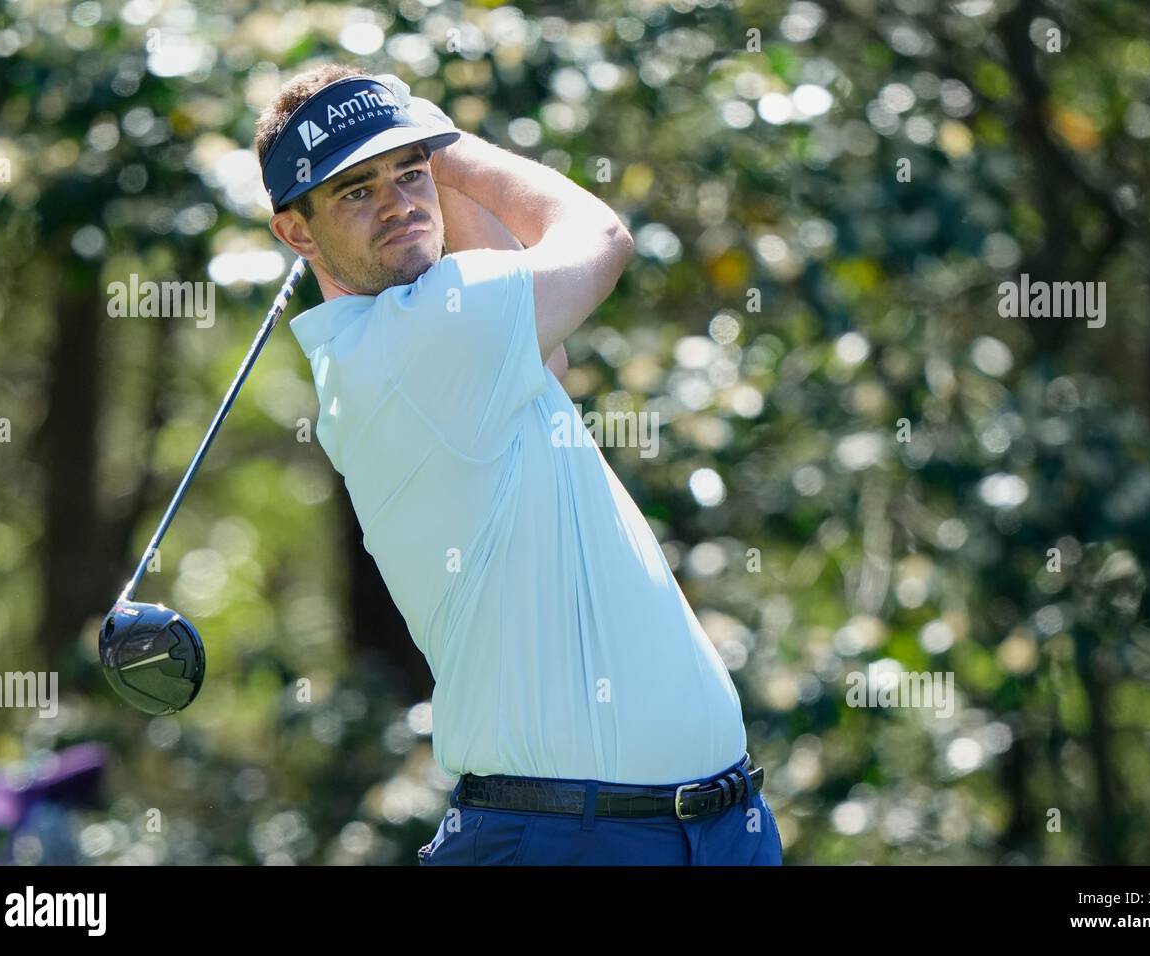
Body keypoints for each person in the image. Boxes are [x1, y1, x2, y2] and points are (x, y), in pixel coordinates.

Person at [254, 64, 782, 865]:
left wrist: (423, 155)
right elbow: (598, 240)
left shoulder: (447, 331)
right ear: (297, 233)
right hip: (572, 839)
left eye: (409, 173)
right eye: (355, 191)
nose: (399, 200)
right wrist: (448, 145)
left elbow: (552, 349)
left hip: (707, 829)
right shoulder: (416, 339)